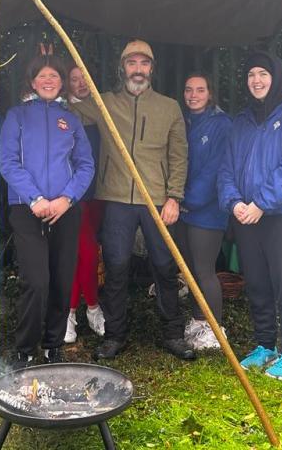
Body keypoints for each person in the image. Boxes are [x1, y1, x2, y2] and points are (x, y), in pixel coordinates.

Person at [73, 39, 194, 361]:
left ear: (151, 69)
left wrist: (174, 197)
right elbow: (69, 105)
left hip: (157, 200)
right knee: (115, 268)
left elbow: (179, 155)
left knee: (165, 268)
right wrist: (58, 70)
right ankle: (115, 335)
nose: (137, 70)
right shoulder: (105, 103)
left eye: (143, 64)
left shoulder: (169, 107)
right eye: (132, 63)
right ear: (122, 68)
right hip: (115, 199)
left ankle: (173, 334)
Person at [217, 51, 282, 381]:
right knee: (257, 284)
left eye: (263, 73)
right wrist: (234, 204)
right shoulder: (241, 122)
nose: (256, 80)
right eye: (251, 75)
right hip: (246, 217)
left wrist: (261, 203)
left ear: (275, 77)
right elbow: (227, 169)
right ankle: (265, 346)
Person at [0, 54, 95, 368]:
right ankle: (25, 348)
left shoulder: (72, 118)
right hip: (27, 209)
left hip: (65, 209)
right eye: (43, 76)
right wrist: (35, 198)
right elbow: (8, 162)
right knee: (36, 279)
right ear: (32, 81)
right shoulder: (17, 116)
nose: (49, 81)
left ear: (61, 82)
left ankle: (53, 345)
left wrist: (66, 198)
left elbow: (86, 165)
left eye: (55, 76)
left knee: (61, 278)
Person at [177, 73, 232, 350]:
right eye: (189, 90)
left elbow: (215, 170)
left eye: (200, 90)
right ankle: (199, 321)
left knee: (205, 270)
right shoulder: (184, 121)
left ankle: (214, 329)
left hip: (207, 211)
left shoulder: (222, 124)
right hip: (185, 208)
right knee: (192, 272)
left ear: (210, 93)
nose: (193, 95)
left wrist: (190, 199)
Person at [64, 66, 106, 344]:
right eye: (74, 79)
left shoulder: (105, 108)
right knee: (81, 252)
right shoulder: (61, 111)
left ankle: (85, 307)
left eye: (85, 78)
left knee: (91, 253)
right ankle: (80, 309)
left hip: (100, 193)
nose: (80, 83)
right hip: (72, 194)